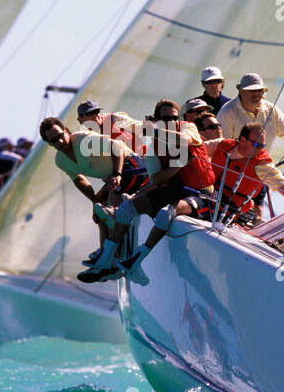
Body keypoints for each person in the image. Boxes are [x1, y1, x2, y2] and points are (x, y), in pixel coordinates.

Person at [85, 100, 216, 282]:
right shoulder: (154, 145)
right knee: (126, 209)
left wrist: (155, 131)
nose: (171, 121)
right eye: (165, 118)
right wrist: (178, 164)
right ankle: (107, 258)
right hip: (174, 190)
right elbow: (156, 179)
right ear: (157, 119)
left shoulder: (188, 127)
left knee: (165, 213)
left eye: (173, 118)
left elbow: (185, 140)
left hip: (200, 194)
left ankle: (137, 259)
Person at [40, 116, 148, 266]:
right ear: (49, 144)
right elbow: (79, 179)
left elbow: (117, 146)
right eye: (53, 140)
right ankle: (105, 254)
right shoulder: (61, 160)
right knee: (99, 212)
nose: (59, 141)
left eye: (60, 136)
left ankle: (113, 256)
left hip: (131, 166)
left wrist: (117, 173)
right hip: (113, 177)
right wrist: (95, 200)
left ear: (65, 131)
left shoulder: (84, 141)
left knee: (109, 210)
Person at [216, 73, 284, 159]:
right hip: (234, 169)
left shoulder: (271, 109)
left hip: (262, 167)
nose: (256, 94)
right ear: (241, 91)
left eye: (259, 90)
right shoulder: (227, 113)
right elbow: (221, 146)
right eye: (251, 91)